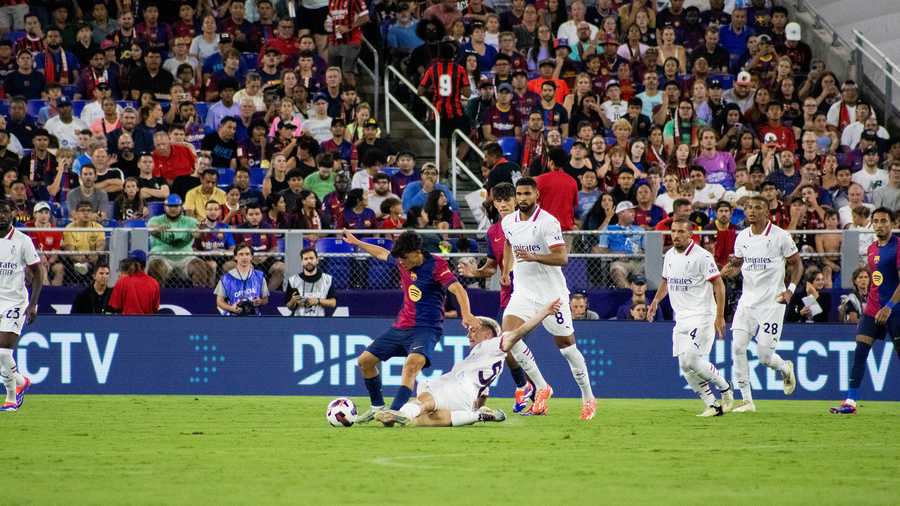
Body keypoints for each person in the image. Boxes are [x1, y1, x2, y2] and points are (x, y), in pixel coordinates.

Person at [344, 229, 480, 423]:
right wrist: (357, 242)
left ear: (418, 252)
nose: (402, 263)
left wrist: (466, 314)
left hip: (426, 329)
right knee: (365, 361)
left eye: (405, 259)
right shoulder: (402, 260)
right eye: (399, 259)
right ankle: (377, 407)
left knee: (411, 366)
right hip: (401, 326)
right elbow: (382, 253)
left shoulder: (436, 265)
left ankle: (394, 412)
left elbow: (458, 289)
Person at [375, 299, 562, 428]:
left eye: (474, 330)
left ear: (488, 333)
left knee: (425, 400)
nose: (469, 334)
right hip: (466, 395)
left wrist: (544, 312)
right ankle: (477, 415)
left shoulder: (496, 344)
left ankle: (401, 413)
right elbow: (483, 393)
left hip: (459, 387)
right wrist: (477, 407)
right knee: (426, 418)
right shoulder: (484, 356)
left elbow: (521, 330)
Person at [500, 177, 596, 420]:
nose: (522, 198)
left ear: (537, 196)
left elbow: (562, 257)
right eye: (519, 194)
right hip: (523, 292)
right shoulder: (508, 221)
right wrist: (505, 270)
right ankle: (542, 386)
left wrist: (535, 258)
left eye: (527, 194)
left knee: (567, 347)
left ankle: (588, 397)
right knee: (507, 337)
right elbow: (509, 244)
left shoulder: (547, 222)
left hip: (551, 296)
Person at [456, 182, 537, 413]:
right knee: (507, 346)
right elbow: (492, 267)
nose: (502, 204)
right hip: (508, 297)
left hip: (533, 293)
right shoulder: (493, 232)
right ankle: (529, 391)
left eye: (507, 199)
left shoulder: (531, 225)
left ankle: (527, 388)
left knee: (513, 345)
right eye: (498, 200)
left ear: (516, 201)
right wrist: (476, 272)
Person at [721, 196, 801, 413]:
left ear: (767, 212)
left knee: (764, 356)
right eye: (748, 208)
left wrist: (790, 291)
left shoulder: (780, 236)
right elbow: (739, 263)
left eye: (758, 207)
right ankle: (747, 401)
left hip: (772, 304)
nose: (752, 211)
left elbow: (796, 264)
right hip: (747, 302)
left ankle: (785, 367)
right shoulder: (742, 238)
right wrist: (730, 269)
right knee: (737, 347)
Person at [648, 219, 733, 417]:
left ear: (690, 234)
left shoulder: (702, 257)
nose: (675, 235)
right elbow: (666, 281)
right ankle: (712, 404)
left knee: (692, 360)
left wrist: (720, 316)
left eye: (680, 232)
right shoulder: (669, 254)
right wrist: (655, 301)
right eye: (673, 231)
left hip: (702, 315)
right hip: (682, 318)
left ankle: (725, 388)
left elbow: (719, 285)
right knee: (684, 365)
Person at [831, 208, 900, 415]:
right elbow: (878, 279)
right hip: (873, 310)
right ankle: (850, 402)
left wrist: (889, 306)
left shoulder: (897, 247)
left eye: (884, 221)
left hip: (895, 310)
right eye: (876, 221)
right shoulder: (871, 249)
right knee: (860, 352)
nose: (880, 225)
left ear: (892, 223)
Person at [0, 199, 42, 412]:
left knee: (3, 352)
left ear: (13, 214)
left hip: (15, 301)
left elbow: (38, 273)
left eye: (5, 212)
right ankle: (21, 381)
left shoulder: (23, 240)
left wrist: (33, 304)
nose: (2, 215)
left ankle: (10, 398)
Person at [215, 243, 270, 316]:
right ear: (235, 257)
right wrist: (231, 308)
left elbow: (265, 300)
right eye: (241, 254)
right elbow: (219, 302)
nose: (244, 257)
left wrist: (260, 301)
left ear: (251, 257)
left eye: (247, 254)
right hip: (233, 318)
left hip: (254, 318)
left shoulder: (259, 276)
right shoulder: (226, 278)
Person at [284, 248, 337, 317]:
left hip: (320, 321)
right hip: (298, 321)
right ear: (302, 262)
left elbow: (333, 303)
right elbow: (289, 306)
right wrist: (293, 301)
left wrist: (318, 301)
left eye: (311, 258)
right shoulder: (293, 280)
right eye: (305, 259)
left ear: (317, 260)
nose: (309, 261)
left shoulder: (328, 279)